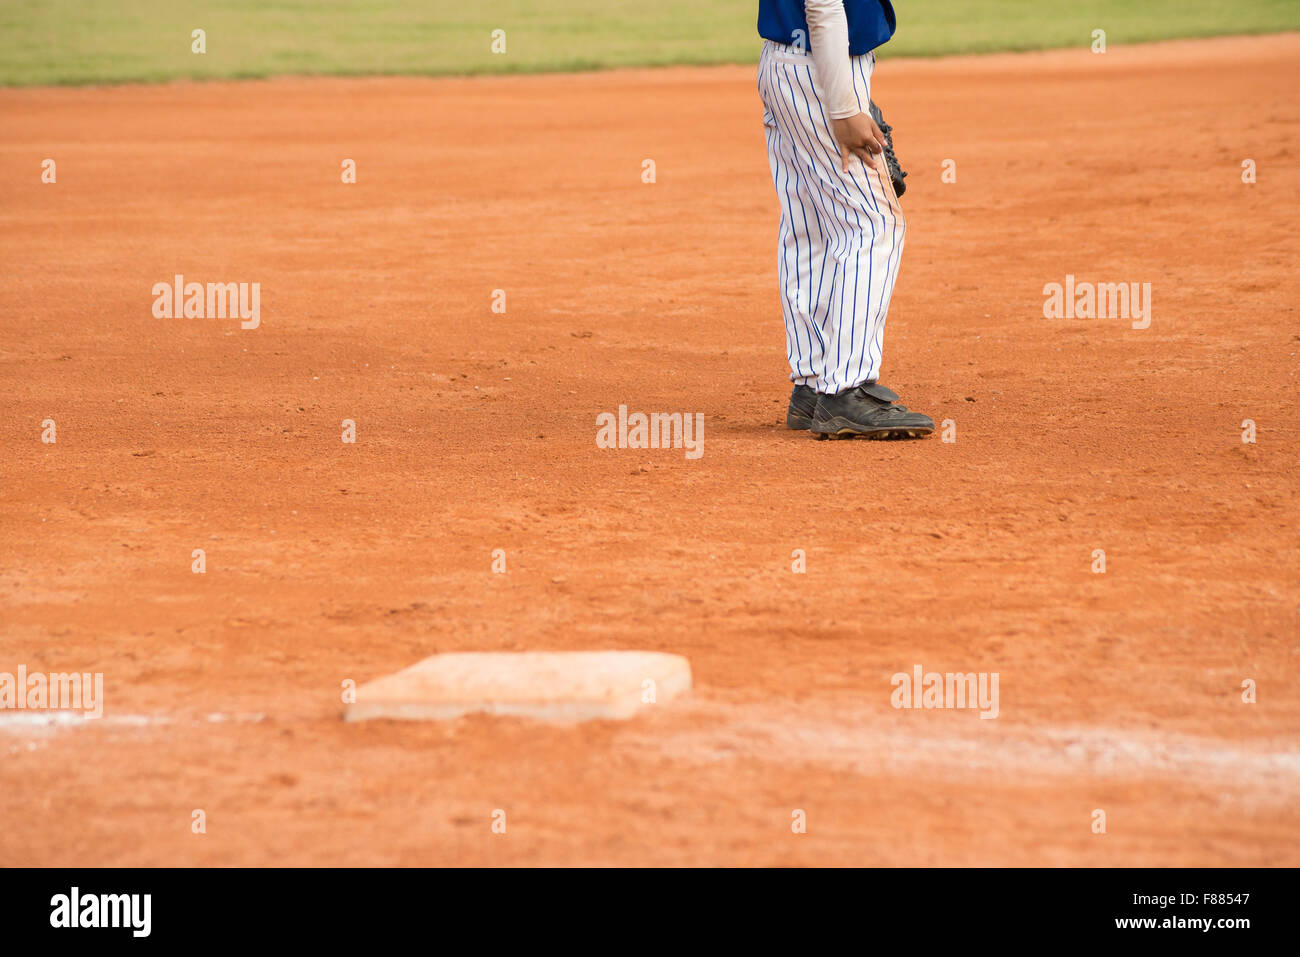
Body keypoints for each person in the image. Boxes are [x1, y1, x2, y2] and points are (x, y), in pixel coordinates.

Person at [757, 0, 934, 439]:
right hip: (822, 70)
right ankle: (845, 391)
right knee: (872, 224)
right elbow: (822, 5)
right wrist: (842, 105)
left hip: (788, 64)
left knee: (811, 224)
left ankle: (814, 384)